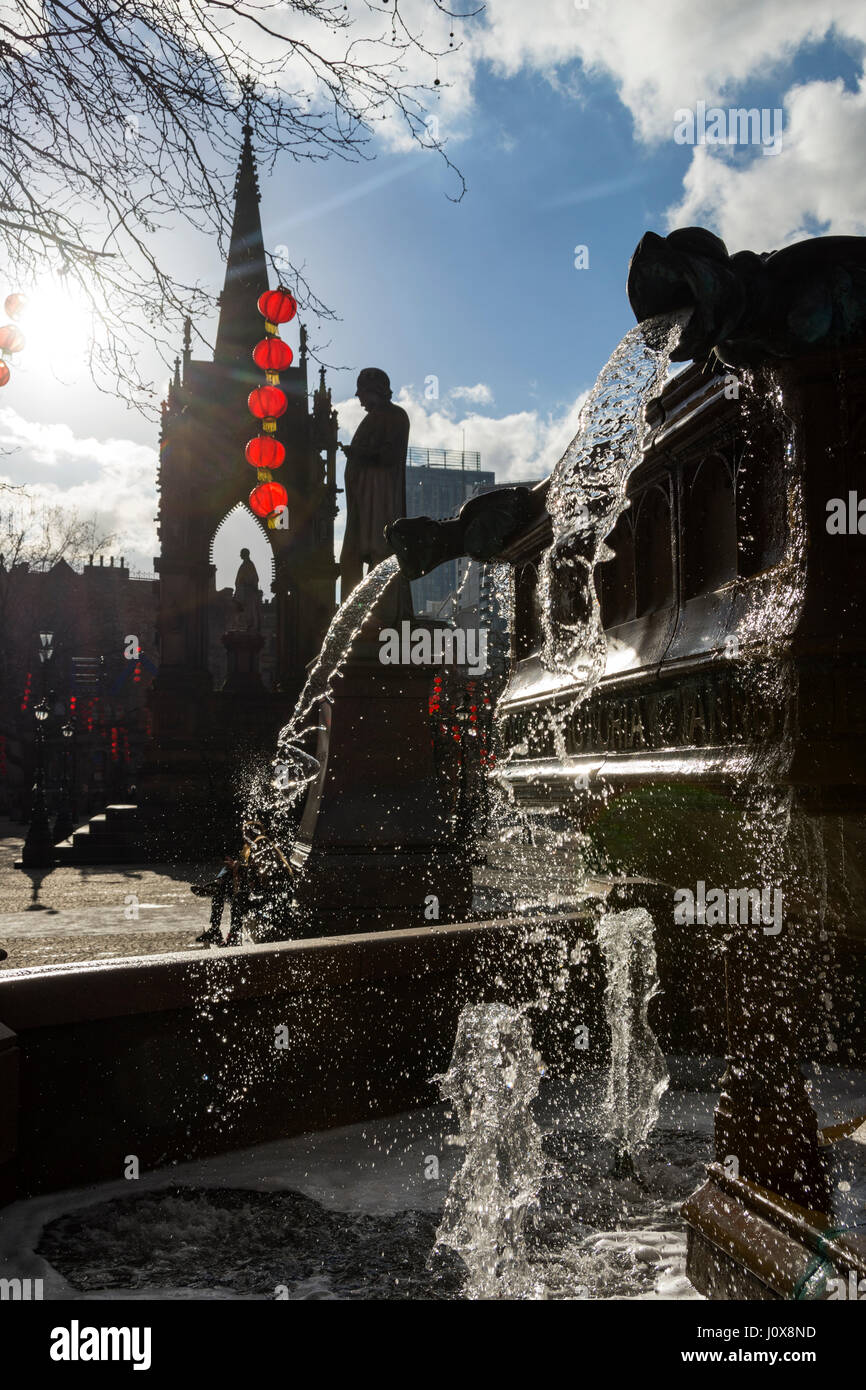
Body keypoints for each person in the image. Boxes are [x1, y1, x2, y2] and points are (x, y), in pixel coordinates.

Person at [339, 367, 410, 599]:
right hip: (362, 499)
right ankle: (355, 608)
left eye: (362, 393)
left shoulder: (395, 416)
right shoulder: (372, 418)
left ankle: (378, 610)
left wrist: (359, 453)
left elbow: (389, 456)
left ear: (375, 390)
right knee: (351, 557)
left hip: (380, 497)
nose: (359, 400)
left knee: (380, 553)